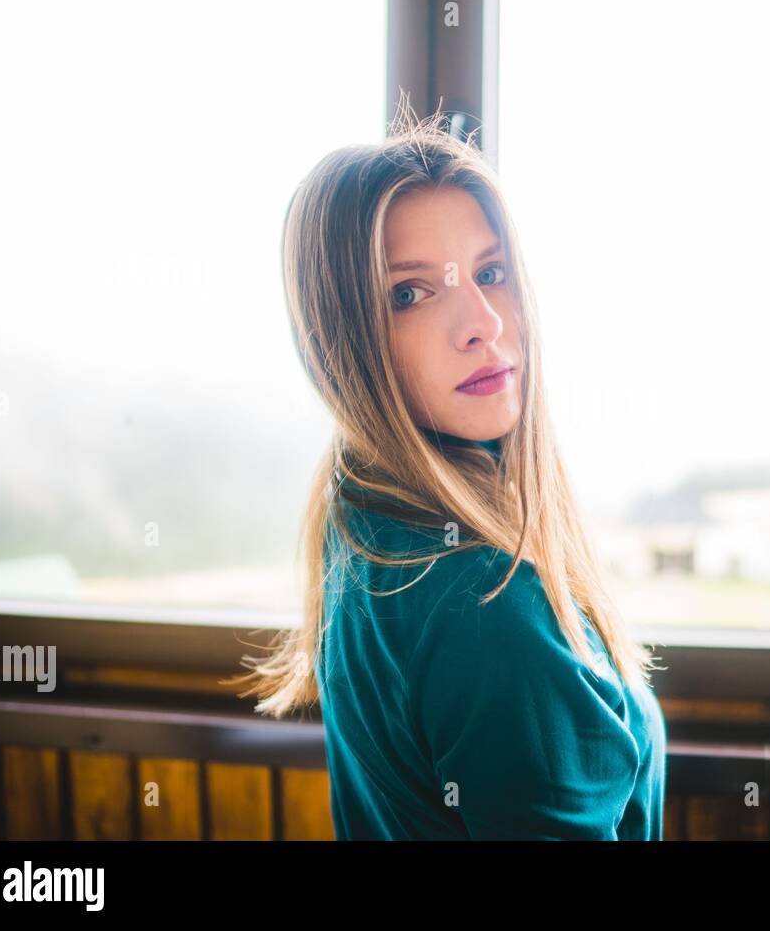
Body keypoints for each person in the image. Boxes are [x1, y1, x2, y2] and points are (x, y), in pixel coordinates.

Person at [242, 107, 666, 840]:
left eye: (490, 272)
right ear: (344, 339)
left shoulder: (360, 505)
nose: (483, 322)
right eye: (411, 292)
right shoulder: (492, 602)